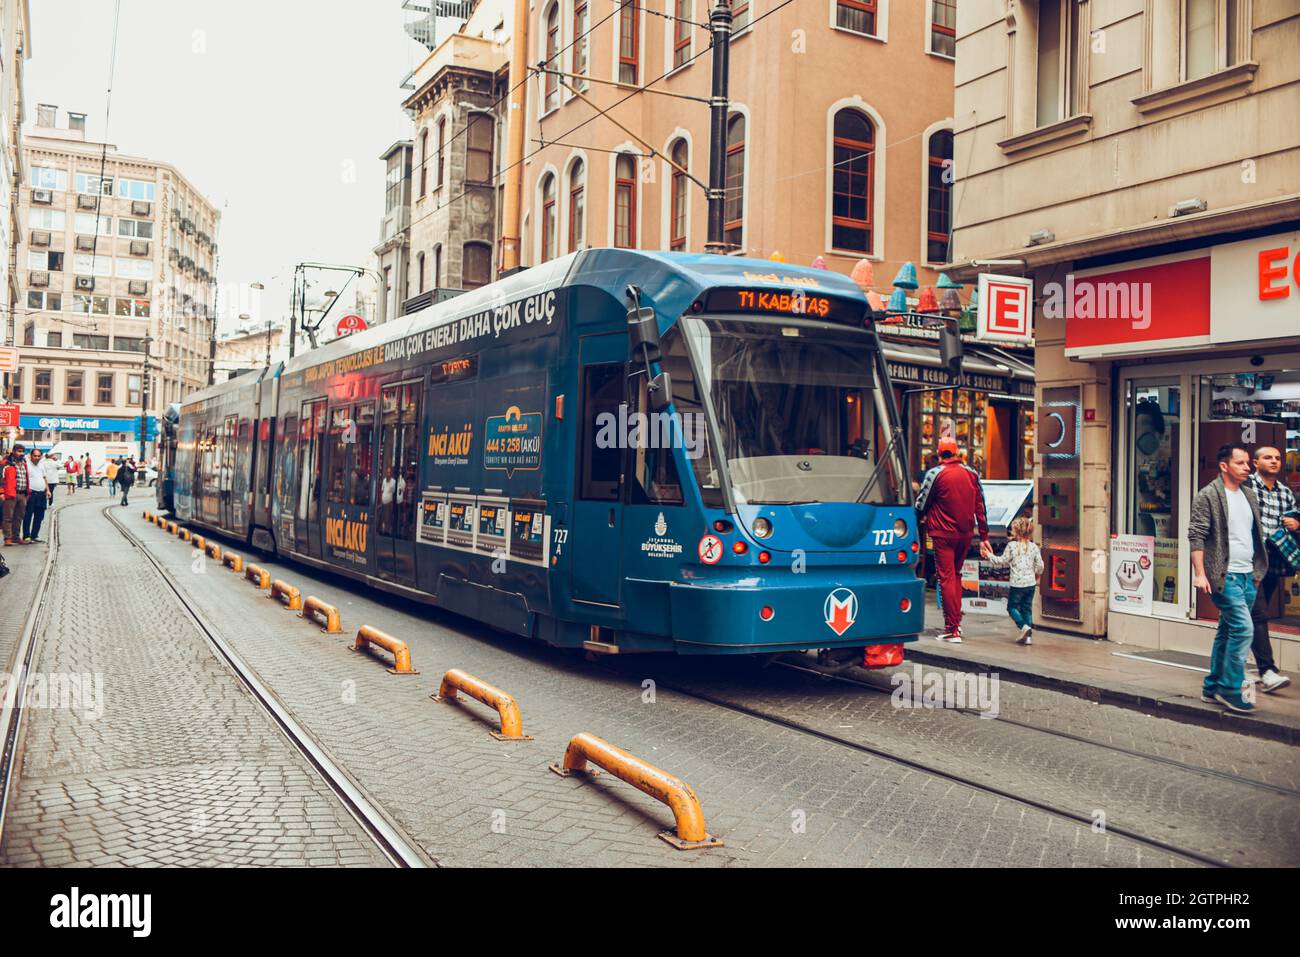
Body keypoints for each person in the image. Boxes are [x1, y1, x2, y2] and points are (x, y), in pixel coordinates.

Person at [1189, 444, 1269, 714]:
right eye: (1241, 463)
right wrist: (1200, 573)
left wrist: (1257, 574)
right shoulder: (1208, 495)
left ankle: (1212, 687)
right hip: (1224, 576)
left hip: (1248, 576)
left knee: (1227, 631)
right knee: (1243, 630)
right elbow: (1196, 535)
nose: (1248, 467)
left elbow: (1253, 535)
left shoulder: (1249, 495)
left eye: (1248, 463)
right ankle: (1231, 689)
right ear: (1224, 466)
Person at [915, 435, 990, 643]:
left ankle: (952, 628)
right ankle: (956, 623)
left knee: (946, 577)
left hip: (942, 534)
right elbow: (980, 506)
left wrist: (917, 519)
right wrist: (984, 535)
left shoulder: (935, 474)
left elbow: (921, 504)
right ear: (956, 452)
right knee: (956, 576)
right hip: (965, 535)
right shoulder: (971, 473)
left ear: (939, 453)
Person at [1247, 446, 1298, 693]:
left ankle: (1225, 670)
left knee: (1243, 617)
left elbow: (1292, 518)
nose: (1275, 461)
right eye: (1268, 457)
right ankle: (1268, 671)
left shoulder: (1285, 493)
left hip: (1272, 563)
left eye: (1278, 458)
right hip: (1248, 562)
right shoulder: (1247, 487)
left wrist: (1295, 522)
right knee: (1258, 614)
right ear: (1256, 462)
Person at [981, 516, 1045, 645]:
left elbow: (1001, 561)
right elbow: (1040, 566)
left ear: (1016, 531)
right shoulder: (1033, 547)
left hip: (1017, 584)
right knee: (1026, 608)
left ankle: (1023, 627)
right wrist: (1037, 575)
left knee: (1012, 607)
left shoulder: (1011, 546)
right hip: (1030, 584)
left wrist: (988, 555)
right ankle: (1028, 638)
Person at [23, 448, 52, 543]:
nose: (36, 457)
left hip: (41, 494)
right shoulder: (26, 465)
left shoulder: (41, 466)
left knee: (39, 516)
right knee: (28, 515)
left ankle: (34, 535)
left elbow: (44, 478)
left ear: (41, 456)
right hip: (31, 494)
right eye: (35, 455)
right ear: (30, 456)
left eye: (38, 456)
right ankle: (26, 536)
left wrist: (48, 490)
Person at [3, 446, 29, 545]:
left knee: (18, 517)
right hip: (10, 494)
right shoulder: (6, 463)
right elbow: (1, 478)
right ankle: (7, 538)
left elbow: (26, 478)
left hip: (22, 494)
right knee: (8, 517)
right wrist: (1, 492)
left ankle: (16, 537)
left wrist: (27, 493)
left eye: (22, 451)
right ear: (13, 452)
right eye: (19, 451)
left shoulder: (24, 464)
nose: (21, 453)